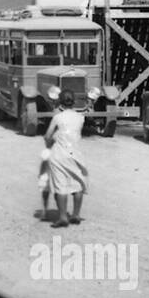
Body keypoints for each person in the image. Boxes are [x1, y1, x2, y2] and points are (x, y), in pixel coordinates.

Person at [44, 90, 89, 227]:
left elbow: (47, 136)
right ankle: (76, 214)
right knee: (78, 184)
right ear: (74, 102)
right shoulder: (80, 117)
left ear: (60, 102)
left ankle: (63, 216)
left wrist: (50, 144)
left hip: (58, 154)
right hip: (75, 154)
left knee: (60, 185)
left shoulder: (57, 117)